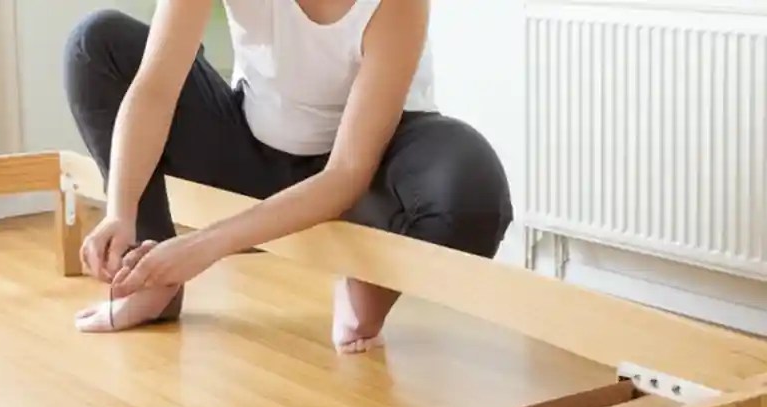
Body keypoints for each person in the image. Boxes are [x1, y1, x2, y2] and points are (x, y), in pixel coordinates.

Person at [62, 0, 513, 352]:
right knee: (95, 42)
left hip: (368, 172)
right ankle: (149, 277)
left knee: (472, 190)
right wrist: (121, 210)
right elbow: (155, 88)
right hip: (255, 148)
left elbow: (347, 172)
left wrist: (205, 246)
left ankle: (367, 296)